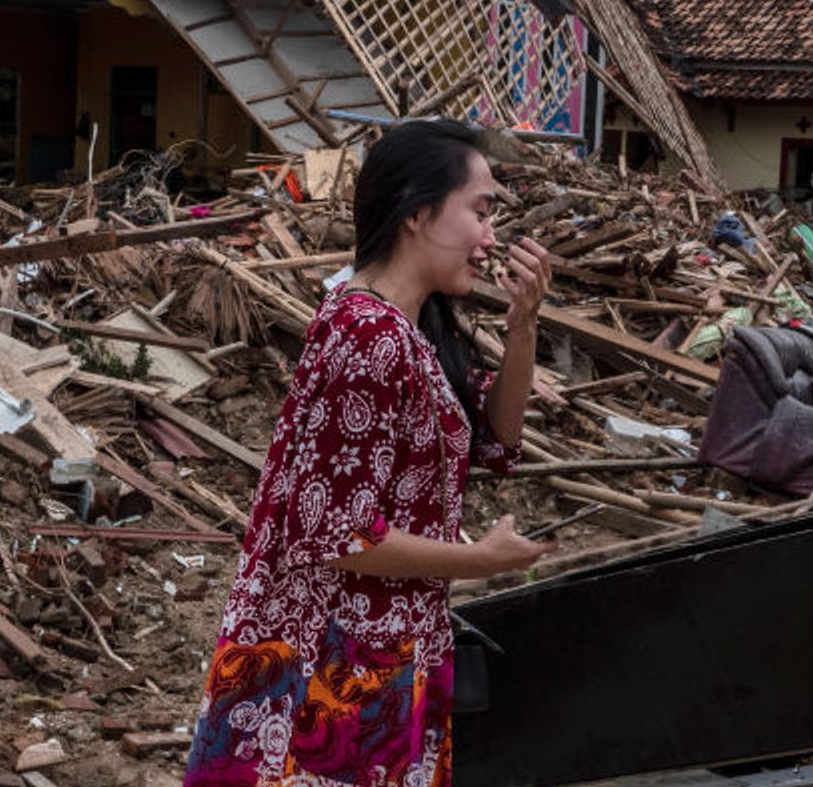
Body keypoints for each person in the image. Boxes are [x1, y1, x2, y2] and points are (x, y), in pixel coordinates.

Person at [183, 119, 555, 787]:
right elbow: (336, 535)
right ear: (417, 211)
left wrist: (522, 328)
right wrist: (478, 561)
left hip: (379, 653)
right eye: (481, 211)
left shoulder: (406, 327)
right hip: (335, 668)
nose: (491, 238)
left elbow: (497, 445)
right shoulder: (370, 337)